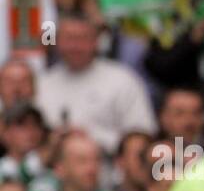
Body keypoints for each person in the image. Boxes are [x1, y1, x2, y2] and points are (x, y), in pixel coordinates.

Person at [36, 12, 156, 153]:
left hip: (109, 170)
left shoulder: (123, 80)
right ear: (56, 41)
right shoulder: (42, 83)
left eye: (82, 39)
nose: (75, 46)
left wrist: (92, 137)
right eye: (69, 39)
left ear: (96, 41)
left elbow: (142, 136)